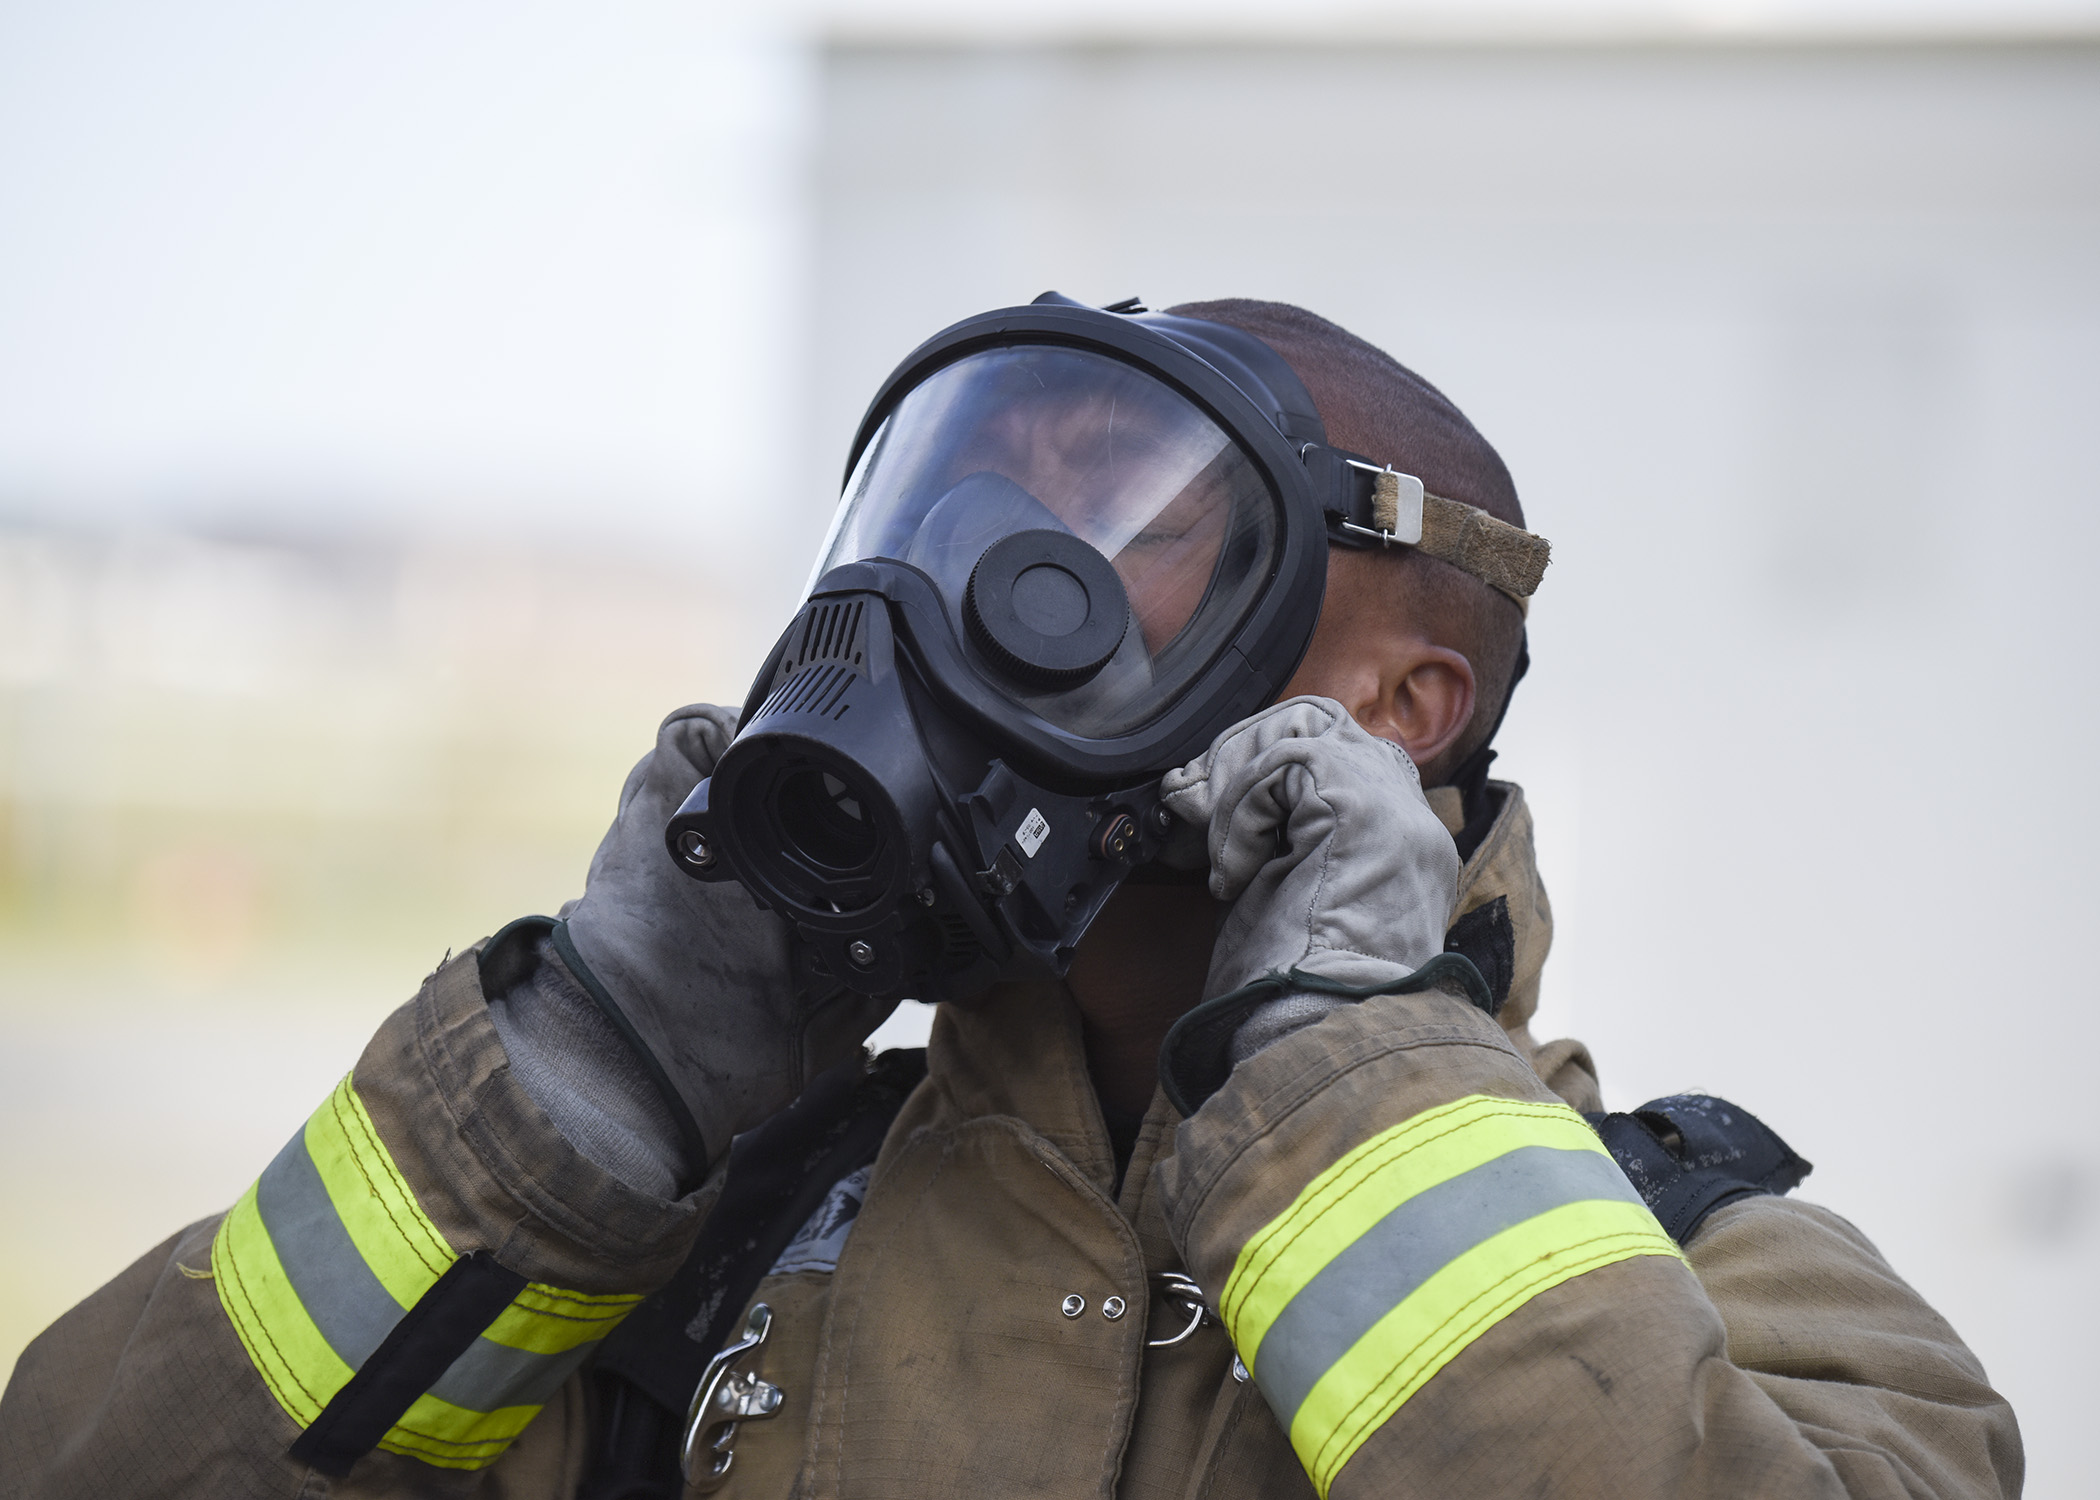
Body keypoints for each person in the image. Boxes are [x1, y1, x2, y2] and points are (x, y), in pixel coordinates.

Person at [0, 299, 2021, 1500]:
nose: (968, 575)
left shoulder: (1740, 1289)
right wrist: (575, 1102)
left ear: (1403, 703)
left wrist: (1350, 1074)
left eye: (1119, 506)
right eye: (958, 485)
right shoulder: (703, 1270)